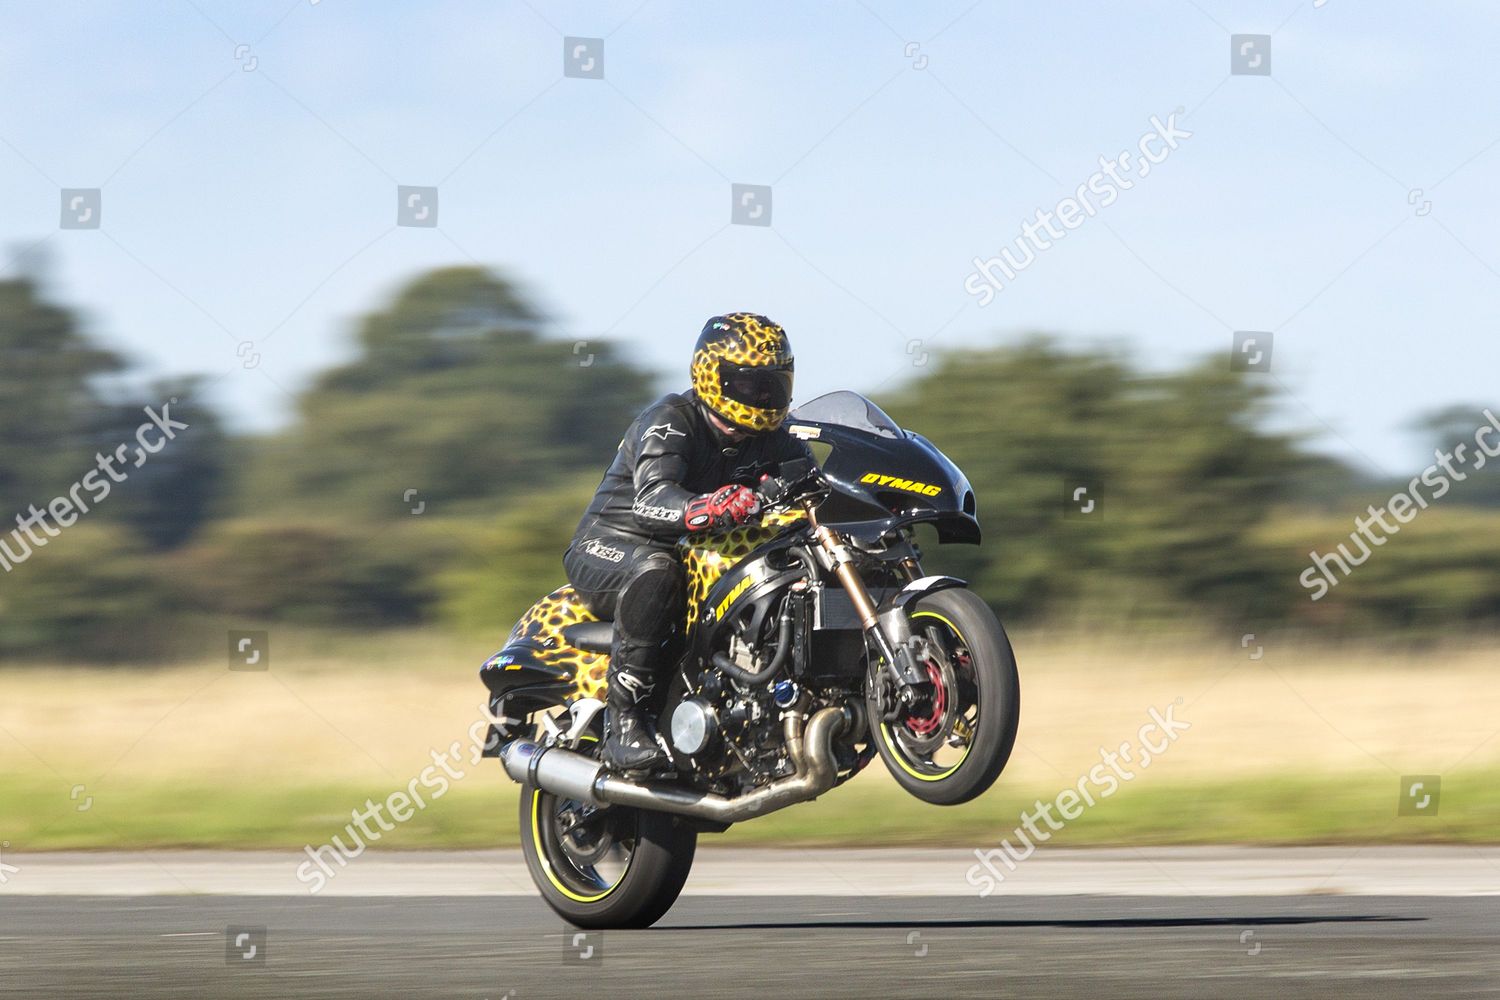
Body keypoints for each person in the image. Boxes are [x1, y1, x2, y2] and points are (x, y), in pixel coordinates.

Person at [565, 313, 811, 770]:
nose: (761, 397)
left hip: (693, 555)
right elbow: (652, 499)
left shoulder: (777, 438)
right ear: (710, 375)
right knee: (658, 570)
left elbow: (814, 484)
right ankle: (625, 723)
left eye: (772, 384)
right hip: (612, 544)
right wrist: (708, 508)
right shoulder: (671, 419)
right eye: (747, 384)